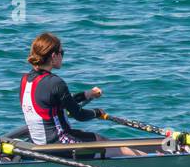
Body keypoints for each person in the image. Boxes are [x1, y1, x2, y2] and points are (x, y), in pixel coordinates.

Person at [18, 33, 146, 156]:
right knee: (107, 144)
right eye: (62, 53)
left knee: (97, 138)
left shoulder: (25, 80)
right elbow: (79, 115)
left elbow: (58, 102)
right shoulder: (56, 83)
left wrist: (87, 94)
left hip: (37, 144)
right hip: (58, 145)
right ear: (53, 56)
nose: (63, 56)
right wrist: (97, 112)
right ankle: (151, 159)